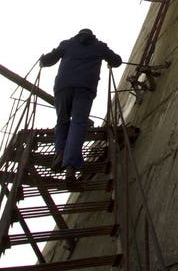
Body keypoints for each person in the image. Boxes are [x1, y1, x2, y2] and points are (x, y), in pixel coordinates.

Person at [40, 28, 122, 182]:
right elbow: (117, 61)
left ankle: (60, 153)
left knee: (62, 121)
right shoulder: (99, 46)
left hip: (63, 87)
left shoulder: (67, 44)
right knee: (78, 123)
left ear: (78, 35)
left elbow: (49, 60)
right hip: (85, 88)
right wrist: (110, 61)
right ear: (92, 36)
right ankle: (70, 166)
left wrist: (43, 60)